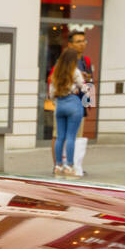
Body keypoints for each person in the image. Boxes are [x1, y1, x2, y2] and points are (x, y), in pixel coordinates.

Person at [48, 46, 87, 179]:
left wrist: (58, 100)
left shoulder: (56, 72)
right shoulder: (75, 71)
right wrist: (78, 88)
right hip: (73, 104)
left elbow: (51, 93)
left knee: (60, 137)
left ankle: (58, 165)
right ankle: (69, 166)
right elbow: (84, 87)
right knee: (71, 137)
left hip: (60, 105)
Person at [68, 30, 96, 176]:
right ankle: (63, 165)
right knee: (65, 135)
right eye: (78, 41)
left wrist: (90, 101)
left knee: (78, 135)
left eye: (83, 41)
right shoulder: (67, 59)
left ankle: (76, 164)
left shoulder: (86, 60)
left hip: (81, 101)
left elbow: (90, 80)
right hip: (68, 101)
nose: (82, 44)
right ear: (70, 44)